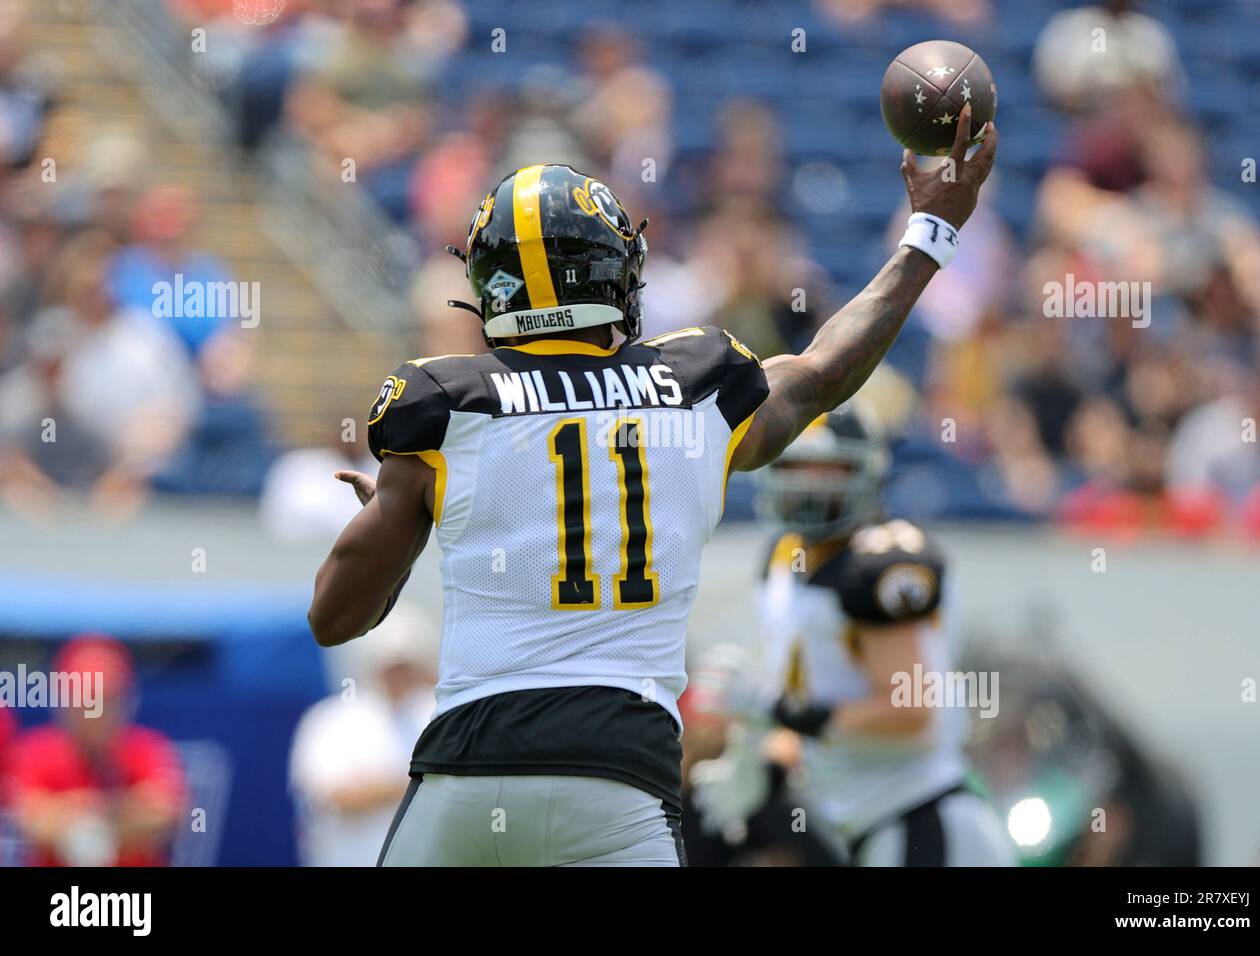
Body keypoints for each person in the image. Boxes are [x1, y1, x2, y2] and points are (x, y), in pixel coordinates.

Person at [308, 110, 998, 867]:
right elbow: (822, 372)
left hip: (471, 770)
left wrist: (402, 526)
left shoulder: (443, 405)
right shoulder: (694, 386)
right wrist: (930, 234)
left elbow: (335, 619)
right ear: (616, 268)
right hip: (621, 780)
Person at [692, 406, 1015, 866]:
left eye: (827, 469)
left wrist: (775, 707)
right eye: (795, 467)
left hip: (923, 821)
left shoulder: (879, 565)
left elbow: (910, 714)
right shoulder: (784, 561)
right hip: (872, 827)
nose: (808, 485)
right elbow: (827, 710)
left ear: (867, 473)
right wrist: (765, 767)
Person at [8, 635, 187, 867]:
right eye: (86, 699)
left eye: (108, 700)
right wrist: (122, 815)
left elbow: (165, 812)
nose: (97, 713)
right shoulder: (35, 750)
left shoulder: (148, 748)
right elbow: (30, 818)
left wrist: (90, 815)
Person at [290, 606, 438, 866]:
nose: (398, 674)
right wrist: (421, 782)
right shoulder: (330, 719)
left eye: (405, 664)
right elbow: (337, 798)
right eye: (391, 665)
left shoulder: (436, 714)